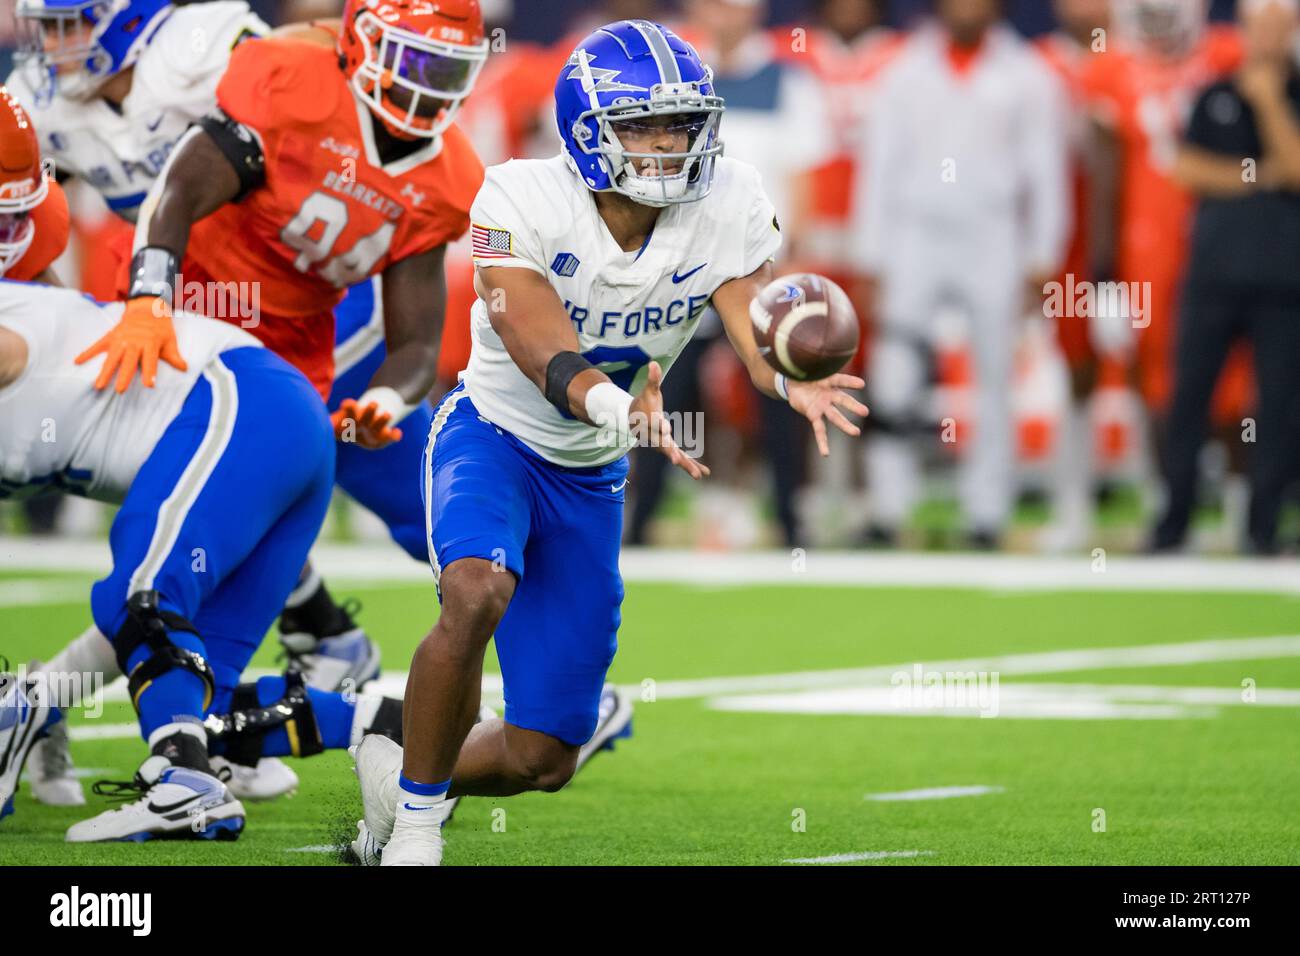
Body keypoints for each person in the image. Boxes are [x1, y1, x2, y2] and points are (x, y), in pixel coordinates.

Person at [351, 18, 867, 866]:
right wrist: (610, 405)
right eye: (642, 124)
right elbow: (534, 337)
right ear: (587, 133)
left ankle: (395, 764)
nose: (668, 144)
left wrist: (785, 375)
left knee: (540, 757)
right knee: (476, 591)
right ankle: (412, 828)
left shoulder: (729, 197)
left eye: (681, 123)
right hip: (496, 435)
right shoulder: (518, 195)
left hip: (589, 477)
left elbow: (748, 315)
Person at [0, 275, 416, 840]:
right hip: (270, 429)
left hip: (240, 401)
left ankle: (182, 784)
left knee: (142, 597)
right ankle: (424, 731)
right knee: (195, 709)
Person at [853, 0, 1070, 548]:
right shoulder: (905, 68)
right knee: (895, 369)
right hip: (916, 229)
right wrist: (871, 254)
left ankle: (986, 513)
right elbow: (880, 163)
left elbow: (1046, 169)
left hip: (992, 233)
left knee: (995, 371)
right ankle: (888, 507)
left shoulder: (1027, 73)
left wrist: (1044, 254)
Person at [1151, 0, 1300, 555]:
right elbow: (1185, 169)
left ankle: (1262, 529)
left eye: (1276, 25)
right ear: (1240, 30)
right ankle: (1173, 525)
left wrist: (1267, 105)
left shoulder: (1288, 94)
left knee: (1278, 408)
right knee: (1188, 401)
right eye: (1256, 24)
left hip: (1284, 283)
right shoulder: (1213, 92)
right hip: (1212, 277)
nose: (1265, 36)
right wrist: (1265, 176)